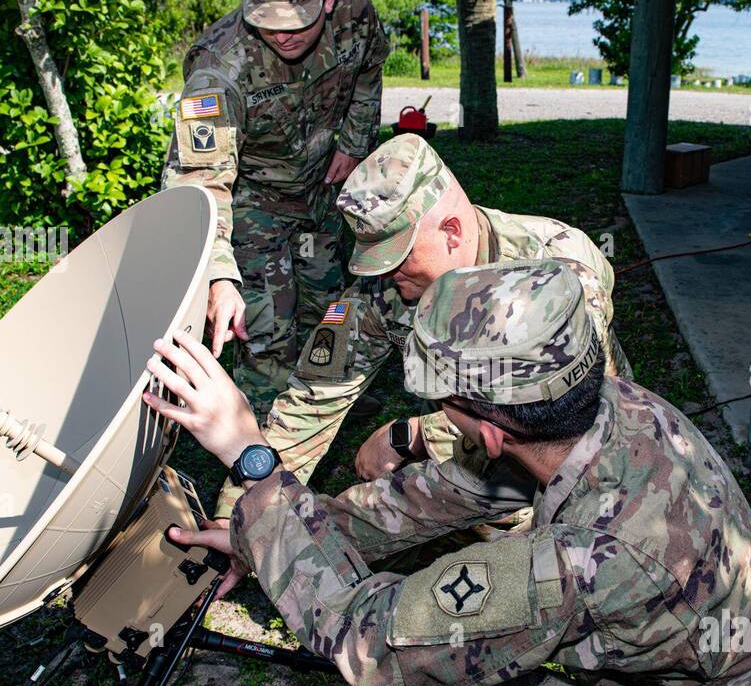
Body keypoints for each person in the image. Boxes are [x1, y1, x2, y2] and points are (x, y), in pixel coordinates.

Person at [144, 261, 751, 686]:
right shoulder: (611, 406)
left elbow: (370, 641)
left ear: (493, 431)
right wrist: (271, 529)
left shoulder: (582, 565)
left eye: (445, 399)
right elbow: (426, 500)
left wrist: (253, 461)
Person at [213, 131, 633, 517]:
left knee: (558, 520)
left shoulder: (558, 273)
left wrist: (411, 436)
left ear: (452, 230)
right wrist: (241, 514)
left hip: (581, 446)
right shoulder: (383, 291)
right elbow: (311, 400)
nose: (384, 275)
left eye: (397, 256)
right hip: (475, 434)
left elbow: (570, 422)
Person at [161, 0, 387, 419]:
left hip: (322, 191)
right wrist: (218, 276)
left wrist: (353, 141)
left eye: (297, 21)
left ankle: (331, 393)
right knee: (265, 325)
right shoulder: (217, 67)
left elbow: (369, 71)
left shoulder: (355, 15)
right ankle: (260, 432)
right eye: (269, 21)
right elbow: (197, 185)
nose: (283, 35)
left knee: (331, 301)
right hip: (253, 205)